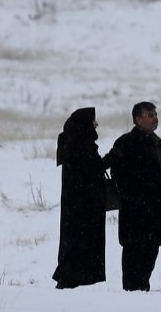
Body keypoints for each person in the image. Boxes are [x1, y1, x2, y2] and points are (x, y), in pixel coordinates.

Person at [108, 101, 161, 292]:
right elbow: (119, 176)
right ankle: (131, 295)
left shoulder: (156, 142)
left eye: (155, 114)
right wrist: (138, 195)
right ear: (138, 119)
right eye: (150, 115)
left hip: (156, 210)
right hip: (134, 212)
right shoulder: (125, 143)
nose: (155, 118)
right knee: (134, 253)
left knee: (150, 251)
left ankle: (143, 293)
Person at [52, 106, 112, 289]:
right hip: (82, 207)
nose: (96, 125)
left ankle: (70, 277)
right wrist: (112, 157)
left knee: (78, 245)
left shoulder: (75, 141)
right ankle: (68, 278)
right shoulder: (79, 144)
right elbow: (94, 168)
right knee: (79, 246)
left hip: (80, 206)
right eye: (93, 122)